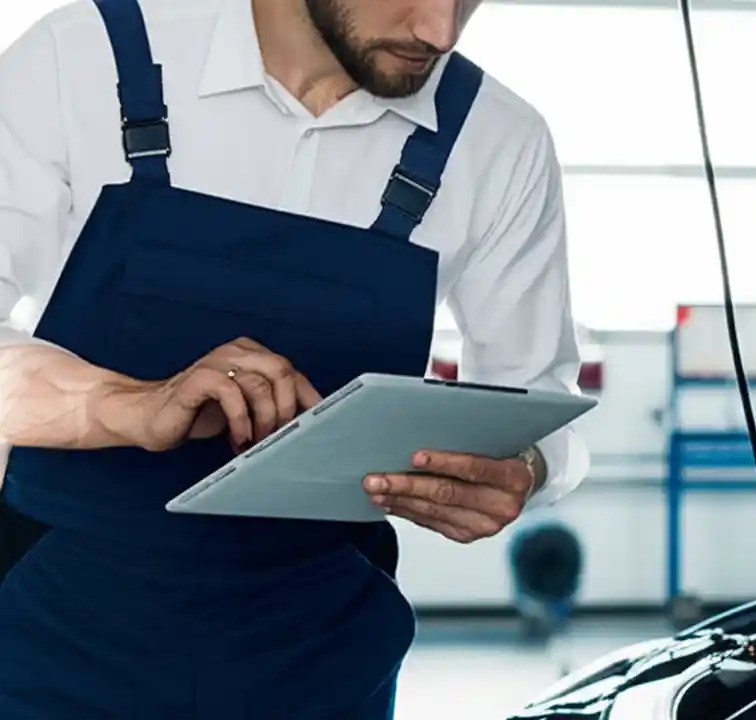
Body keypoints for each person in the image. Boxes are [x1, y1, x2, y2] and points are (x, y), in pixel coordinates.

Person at [0, 0, 588, 716]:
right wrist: (132, 404)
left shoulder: (498, 141)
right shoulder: (78, 60)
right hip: (51, 635)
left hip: (322, 657)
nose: (439, 30)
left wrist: (523, 468)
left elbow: (538, 403)